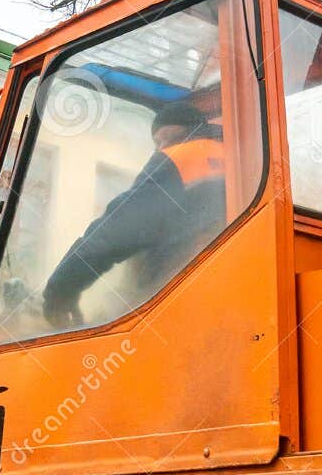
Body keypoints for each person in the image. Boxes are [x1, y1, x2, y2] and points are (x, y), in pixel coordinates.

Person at [42, 100, 225, 328]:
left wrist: (61, 287)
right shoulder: (236, 153)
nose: (161, 148)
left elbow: (117, 229)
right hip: (218, 291)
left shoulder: (176, 159)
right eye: (157, 142)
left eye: (167, 138)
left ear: (190, 131)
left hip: (174, 300)